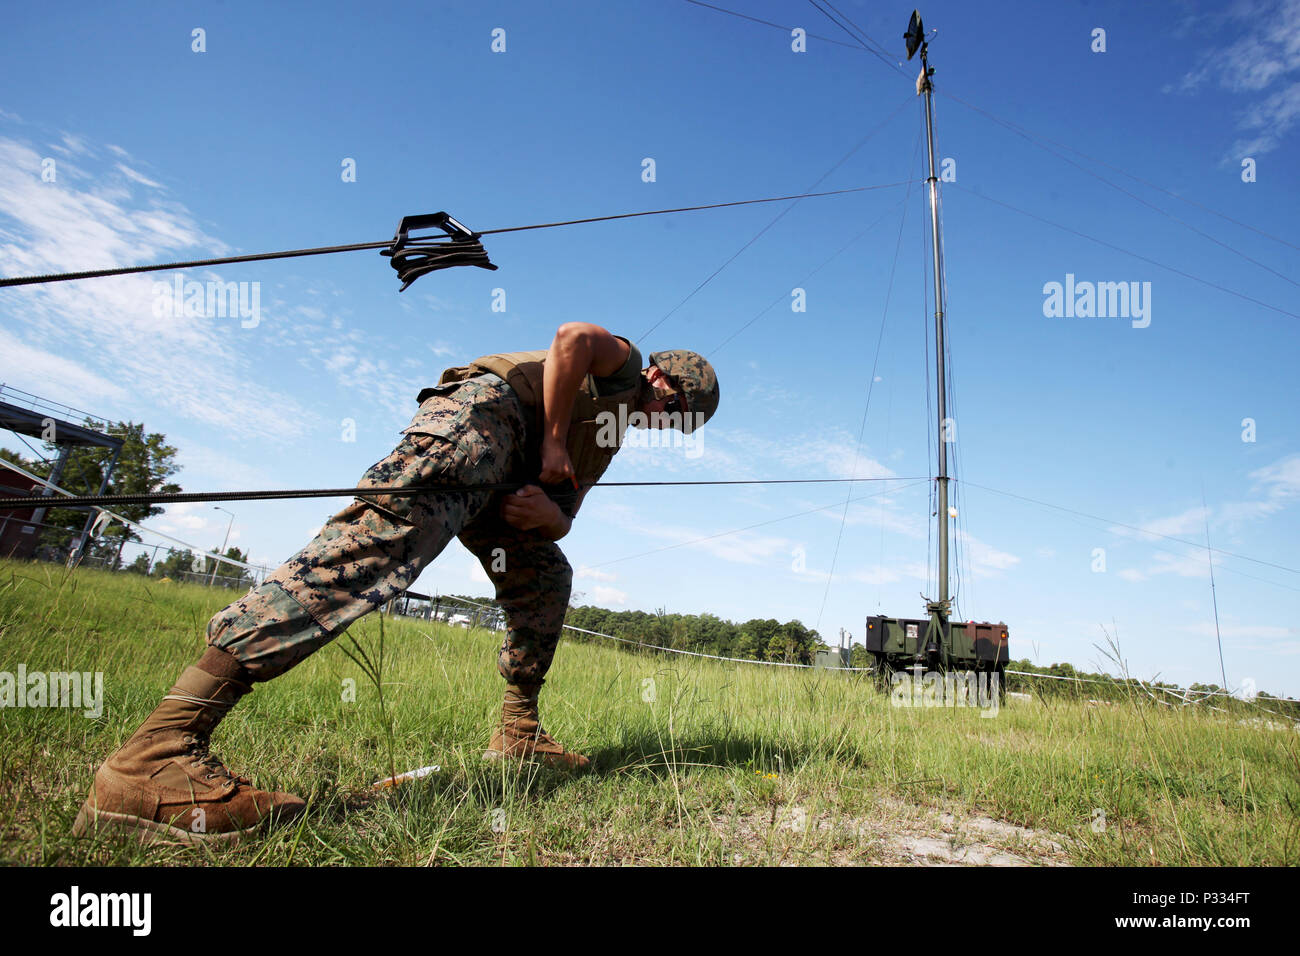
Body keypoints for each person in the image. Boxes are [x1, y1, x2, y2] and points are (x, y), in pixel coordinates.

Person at [72, 323, 720, 845]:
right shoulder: (623, 366)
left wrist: (547, 516)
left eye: (677, 425)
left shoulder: (606, 436)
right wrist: (551, 442)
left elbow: (564, 516)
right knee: (372, 552)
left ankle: (519, 734)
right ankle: (156, 754)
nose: (665, 423)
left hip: (503, 483)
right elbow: (572, 337)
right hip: (480, 423)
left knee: (546, 575)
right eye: (675, 411)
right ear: (664, 379)